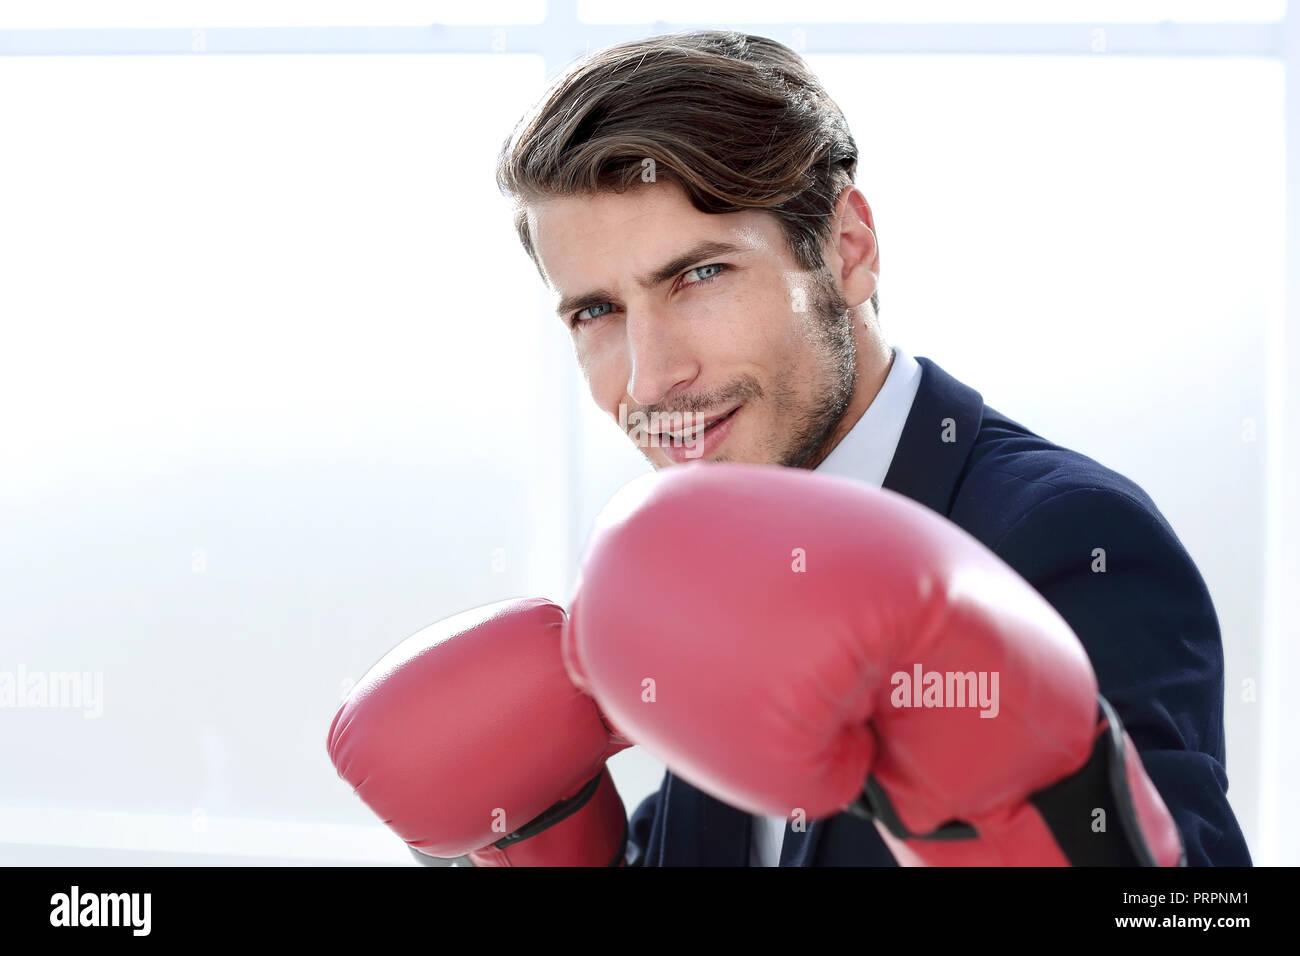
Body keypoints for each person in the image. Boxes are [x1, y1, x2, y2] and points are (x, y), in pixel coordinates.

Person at [327, 30, 1250, 867]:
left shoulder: (1064, 537)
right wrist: (541, 839)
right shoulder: (712, 561)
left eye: (698, 276)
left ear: (846, 249)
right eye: (598, 311)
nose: (650, 379)